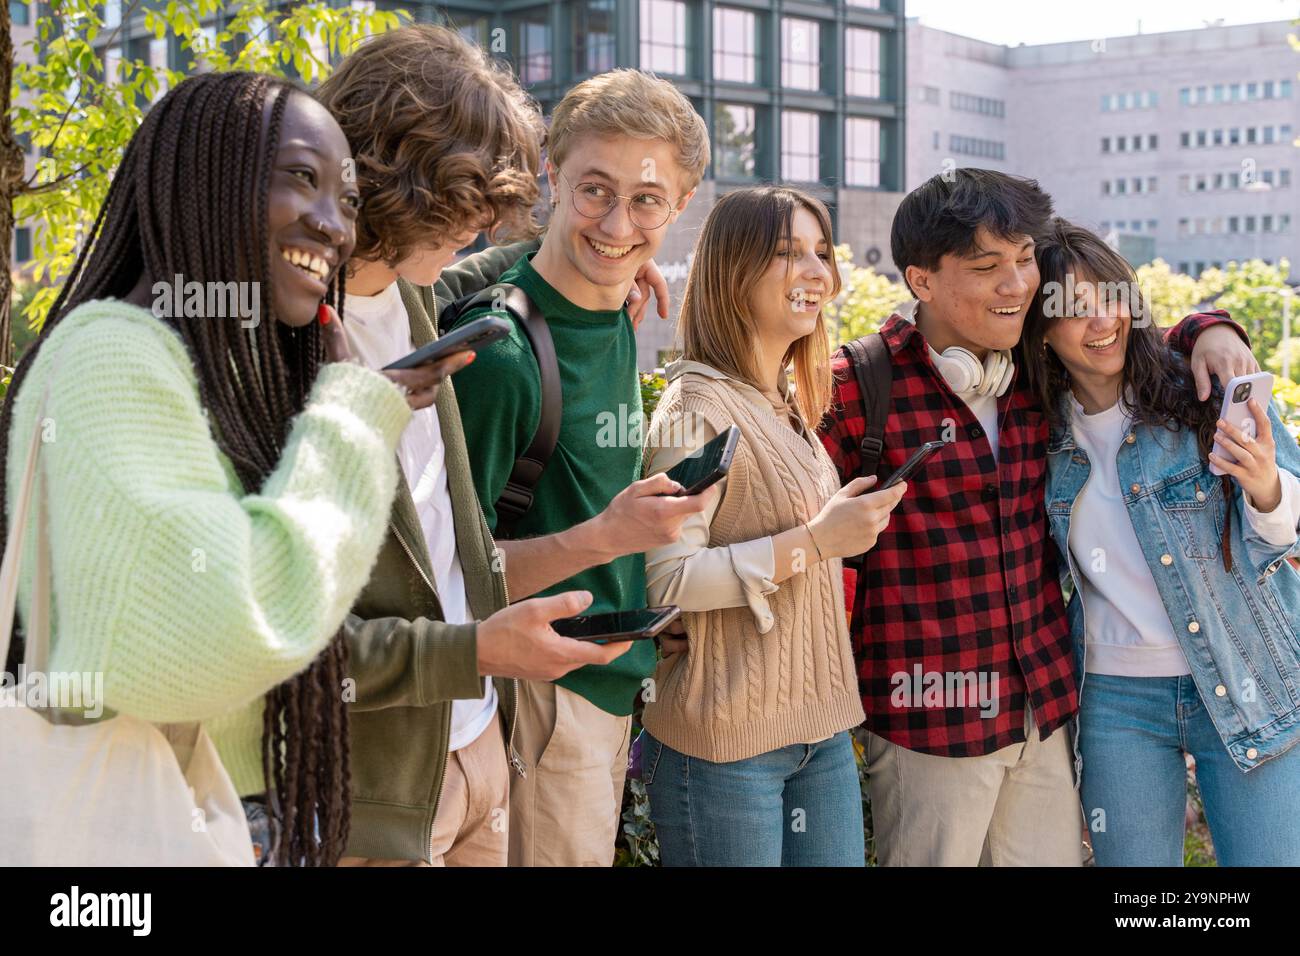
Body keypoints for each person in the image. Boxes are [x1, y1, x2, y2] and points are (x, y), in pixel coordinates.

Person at [0, 71, 430, 867]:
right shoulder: (110, 355)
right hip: (136, 828)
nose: (334, 226)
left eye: (349, 199)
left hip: (234, 814)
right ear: (209, 175)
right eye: (302, 177)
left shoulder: (206, 372)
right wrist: (347, 424)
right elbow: (207, 636)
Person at [817, 168, 1258, 866]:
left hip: (1044, 711)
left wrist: (1209, 325)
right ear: (921, 280)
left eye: (1024, 260)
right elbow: (804, 530)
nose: (1017, 284)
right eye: (987, 267)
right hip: (930, 723)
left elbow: (1116, 332)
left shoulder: (1036, 373)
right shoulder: (855, 387)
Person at [315, 25, 646, 867]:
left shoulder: (416, 287)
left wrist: (605, 260)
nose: (475, 230)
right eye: (464, 206)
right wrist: (478, 649)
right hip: (375, 785)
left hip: (476, 751)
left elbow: (502, 265)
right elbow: (283, 642)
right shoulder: (289, 338)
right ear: (402, 182)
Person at [448, 69, 712, 867]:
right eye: (594, 190)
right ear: (550, 179)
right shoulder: (501, 358)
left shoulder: (616, 308)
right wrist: (607, 537)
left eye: (646, 200)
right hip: (543, 698)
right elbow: (449, 579)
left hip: (605, 687)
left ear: (681, 204)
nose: (618, 222)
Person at [1020, 219, 1300, 866]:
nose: (1102, 322)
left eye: (1113, 297)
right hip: (1115, 703)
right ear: (1040, 328)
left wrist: (1265, 487)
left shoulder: (1201, 391)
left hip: (1245, 668)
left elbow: (1284, 533)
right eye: (1074, 309)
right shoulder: (1038, 432)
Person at [639, 186, 905, 866]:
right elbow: (667, 579)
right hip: (725, 749)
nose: (818, 272)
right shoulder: (695, 407)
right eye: (789, 253)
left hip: (821, 733)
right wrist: (817, 541)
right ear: (734, 272)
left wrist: (830, 523)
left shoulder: (784, 405)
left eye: (821, 252)